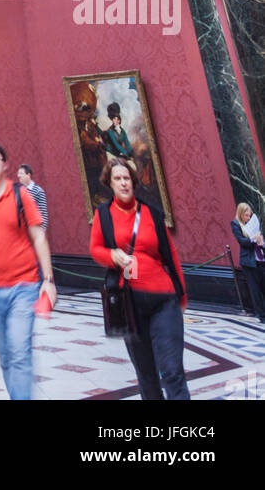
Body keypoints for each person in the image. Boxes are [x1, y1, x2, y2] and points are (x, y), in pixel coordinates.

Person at [90, 157, 189, 400]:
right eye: (117, 179)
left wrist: (181, 296)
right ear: (109, 183)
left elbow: (171, 255)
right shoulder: (103, 214)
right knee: (146, 375)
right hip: (128, 304)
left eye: (126, 178)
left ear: (133, 182)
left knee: (172, 371)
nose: (123, 183)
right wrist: (112, 255)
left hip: (163, 301)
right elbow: (95, 249)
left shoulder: (152, 214)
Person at [0, 141, 56, 401]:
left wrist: (48, 280)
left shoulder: (21, 195)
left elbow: (38, 236)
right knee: (5, 356)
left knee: (20, 351)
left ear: (5, 165)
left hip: (24, 285)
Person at [231, 202, 265, 321]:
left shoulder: (253, 223)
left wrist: (261, 242)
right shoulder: (236, 224)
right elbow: (242, 242)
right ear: (240, 214)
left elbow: (260, 239)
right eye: (246, 215)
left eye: (250, 215)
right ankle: (261, 315)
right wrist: (252, 239)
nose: (248, 218)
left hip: (261, 259)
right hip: (249, 262)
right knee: (255, 289)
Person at [16, 165, 48, 229]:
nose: (18, 176)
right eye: (18, 173)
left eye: (21, 173)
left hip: (34, 230)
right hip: (21, 232)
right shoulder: (18, 191)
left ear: (28, 175)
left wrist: (40, 234)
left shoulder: (38, 191)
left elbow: (43, 215)